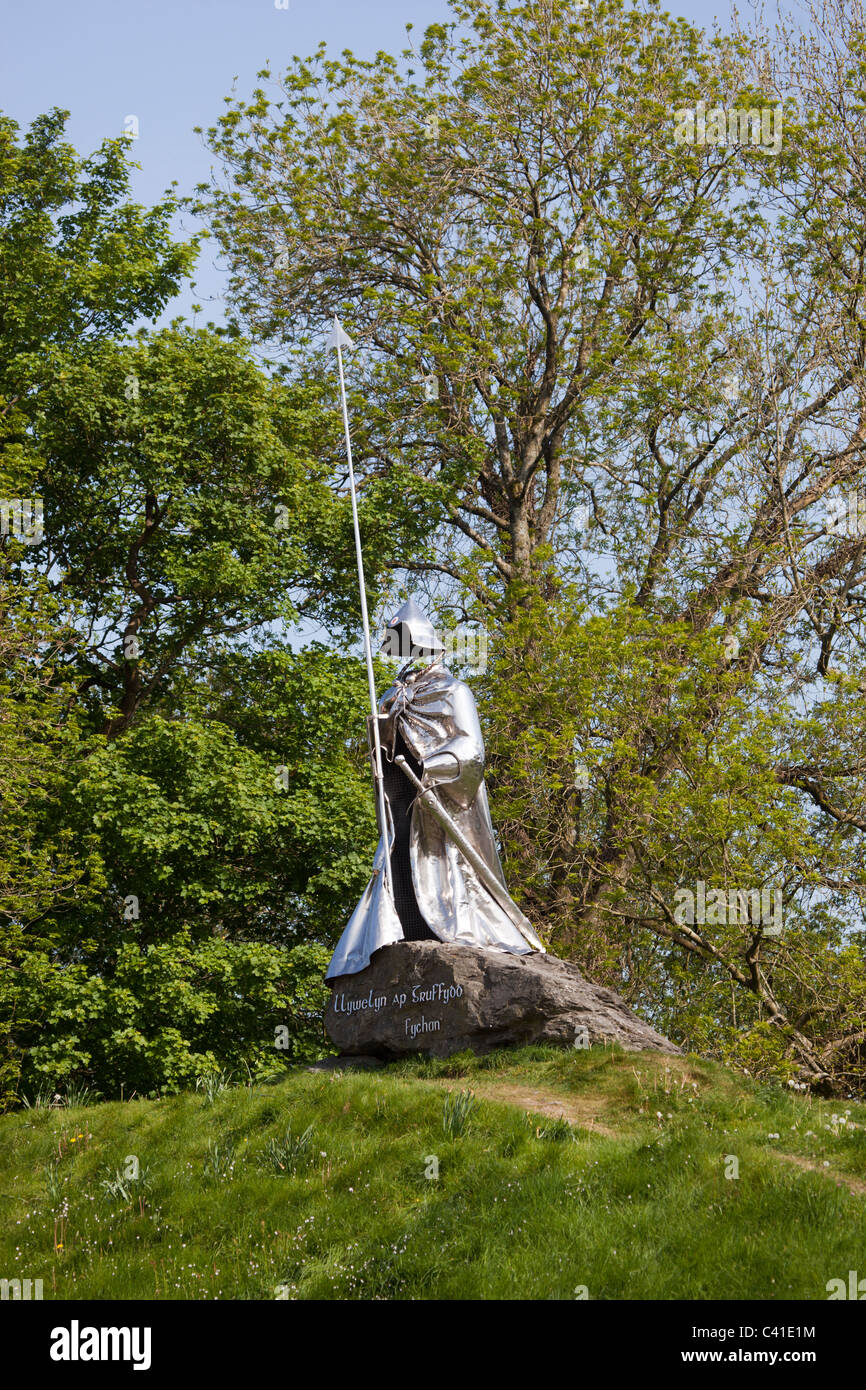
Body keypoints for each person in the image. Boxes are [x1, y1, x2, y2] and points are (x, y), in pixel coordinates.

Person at [325, 598, 544, 979]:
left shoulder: (454, 691)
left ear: (421, 642)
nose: (400, 651)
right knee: (396, 868)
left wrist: (429, 766)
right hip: (401, 801)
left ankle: (460, 932)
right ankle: (398, 935)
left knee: (446, 878)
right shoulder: (392, 697)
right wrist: (379, 738)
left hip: (441, 802)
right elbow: (383, 751)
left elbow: (471, 751)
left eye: (403, 641)